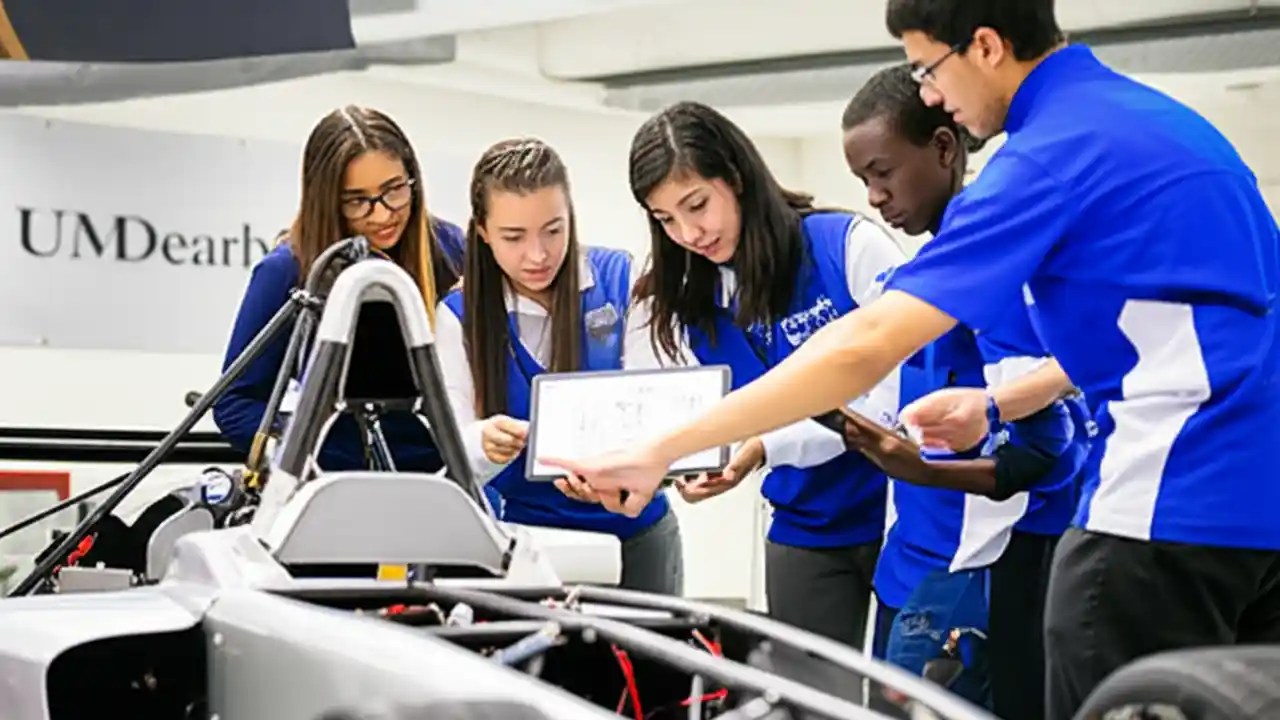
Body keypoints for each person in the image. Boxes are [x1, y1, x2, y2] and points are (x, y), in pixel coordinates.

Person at [540, 2, 1280, 718]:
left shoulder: (1044, 157)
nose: (928, 92)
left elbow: (864, 346)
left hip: (1167, 499)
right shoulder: (1169, 126)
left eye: (928, 67)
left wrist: (663, 447)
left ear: (986, 46)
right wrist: (992, 406)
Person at [600, 100, 908, 647]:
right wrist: (697, 461)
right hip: (805, 523)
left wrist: (761, 446)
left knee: (902, 695)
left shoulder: (846, 247)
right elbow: (702, 413)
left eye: (697, 205)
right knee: (807, 696)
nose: (689, 233)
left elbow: (894, 397)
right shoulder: (693, 299)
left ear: (736, 177)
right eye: (666, 219)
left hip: (902, 512)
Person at [840, 63, 1090, 718]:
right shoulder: (921, 276)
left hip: (974, 578)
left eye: (883, 173)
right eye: (863, 181)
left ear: (945, 150)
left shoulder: (995, 280)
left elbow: (1046, 457)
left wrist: (912, 465)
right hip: (911, 566)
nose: (874, 197)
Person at [434, 137, 684, 595]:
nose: (538, 254)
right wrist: (484, 442)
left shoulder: (623, 280)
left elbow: (656, 406)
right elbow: (454, 446)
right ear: (483, 232)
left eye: (554, 230)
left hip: (637, 536)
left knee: (653, 667)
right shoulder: (457, 318)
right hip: (529, 547)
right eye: (514, 237)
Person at [215, 106, 468, 479]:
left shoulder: (449, 249)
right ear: (327, 199)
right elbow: (235, 402)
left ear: (412, 179)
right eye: (357, 200)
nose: (382, 215)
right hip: (336, 485)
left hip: (445, 479)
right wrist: (305, 455)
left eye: (393, 190)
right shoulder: (287, 270)